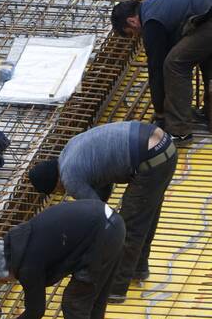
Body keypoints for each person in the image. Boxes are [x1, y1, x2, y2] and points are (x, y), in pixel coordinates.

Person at [28, 118, 175, 302]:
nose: (62, 192)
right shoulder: (69, 150)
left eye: (58, 191)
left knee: (128, 226)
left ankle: (116, 288)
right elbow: (103, 182)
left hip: (152, 157)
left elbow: (99, 216)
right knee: (145, 213)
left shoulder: (70, 178)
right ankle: (138, 267)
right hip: (161, 142)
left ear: (55, 184)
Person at [110, 0, 212, 143]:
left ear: (132, 21)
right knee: (209, 57)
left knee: (175, 64)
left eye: (131, 33)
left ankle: (179, 131)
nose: (136, 37)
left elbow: (156, 69)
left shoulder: (150, 22)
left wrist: (160, 111)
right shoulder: (154, 5)